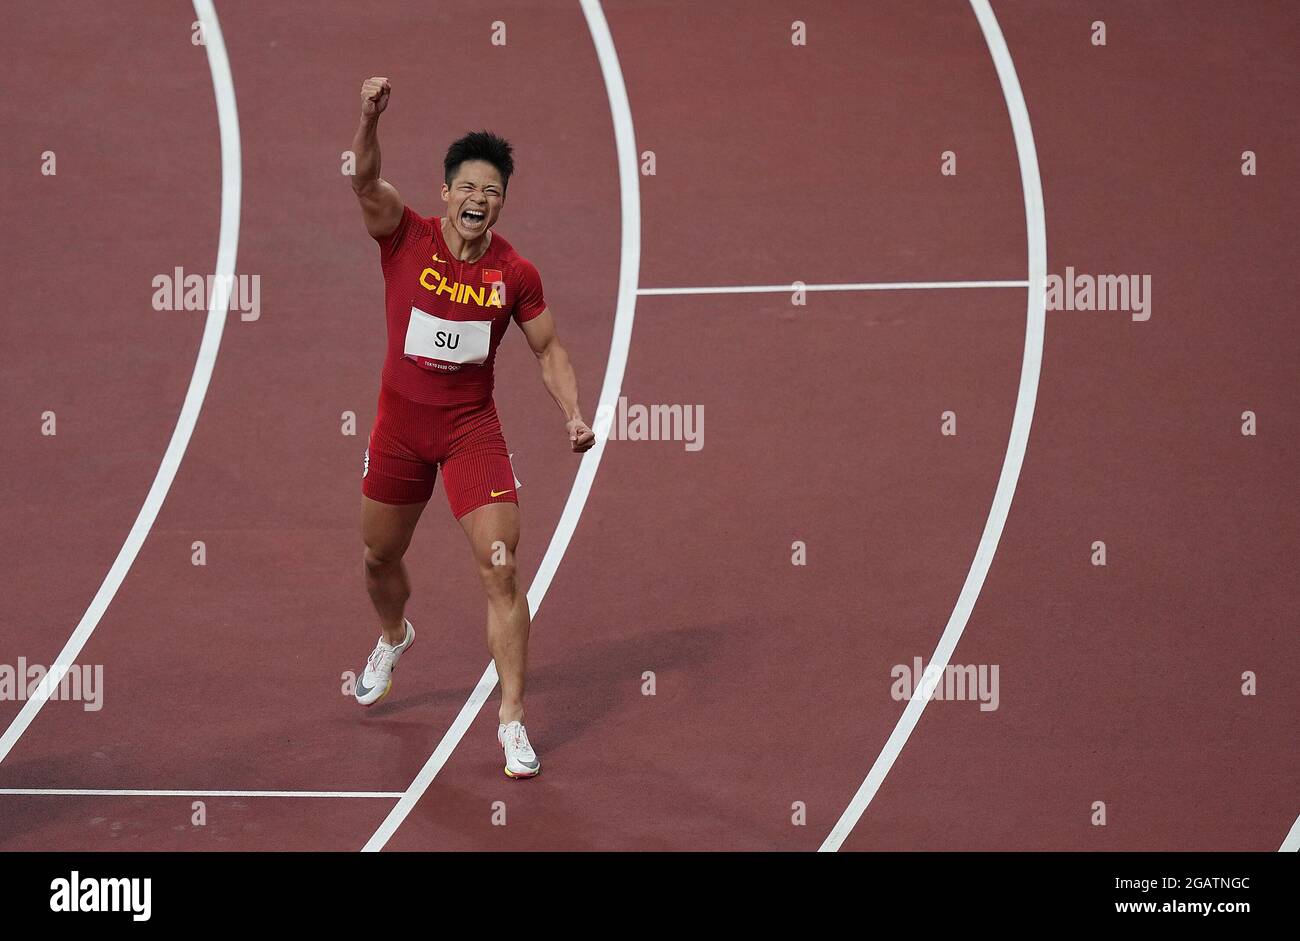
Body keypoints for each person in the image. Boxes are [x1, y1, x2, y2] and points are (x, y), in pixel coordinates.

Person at [348, 76, 594, 779]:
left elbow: (548, 349)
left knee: (502, 567)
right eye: (469, 188)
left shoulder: (515, 273)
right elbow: (363, 179)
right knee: (378, 558)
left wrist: (573, 414)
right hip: (399, 430)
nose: (479, 199)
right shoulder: (406, 236)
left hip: (470, 434)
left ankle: (511, 719)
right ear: (447, 192)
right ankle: (395, 634)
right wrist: (368, 119)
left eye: (493, 191)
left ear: (501, 203)